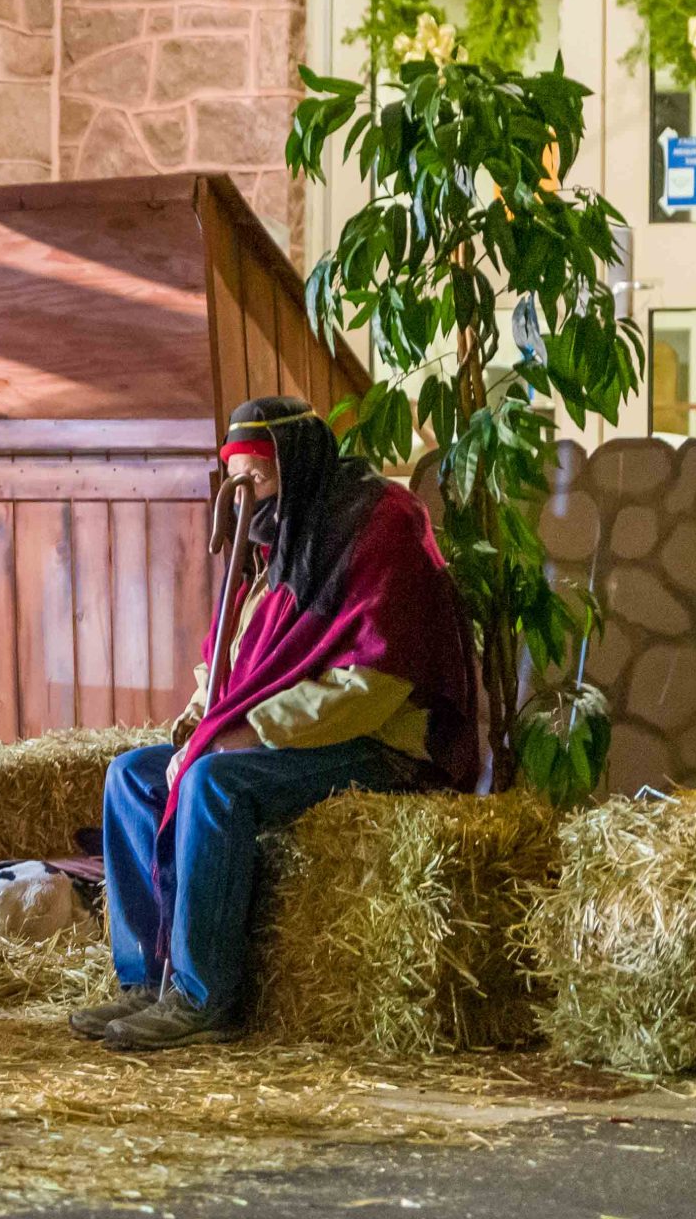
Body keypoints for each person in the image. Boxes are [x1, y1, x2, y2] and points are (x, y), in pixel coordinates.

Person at [76, 395, 479, 1053]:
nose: (242, 498)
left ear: (297, 465)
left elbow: (373, 688)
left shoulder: (380, 529)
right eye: (235, 482)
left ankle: (201, 997)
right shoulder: (276, 542)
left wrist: (253, 730)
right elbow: (231, 660)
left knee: (215, 785)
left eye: (255, 479)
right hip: (282, 734)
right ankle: (146, 978)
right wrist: (196, 723)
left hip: (376, 744)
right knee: (132, 777)